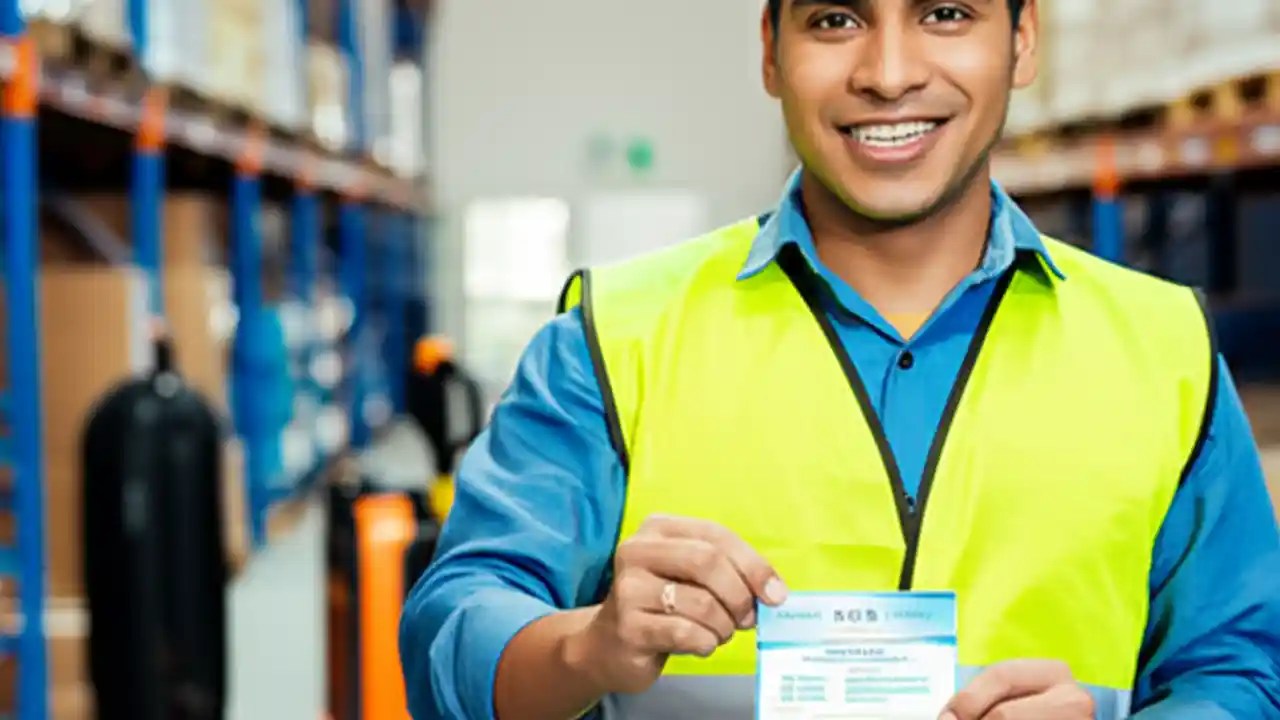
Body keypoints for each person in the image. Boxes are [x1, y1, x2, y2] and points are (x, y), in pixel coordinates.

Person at [399, 0, 1280, 718]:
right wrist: (587, 647)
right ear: (771, 52)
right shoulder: (615, 335)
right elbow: (452, 634)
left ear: (1022, 38)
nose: (888, 73)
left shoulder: (1162, 347)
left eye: (943, 13)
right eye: (835, 20)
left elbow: (1242, 673)